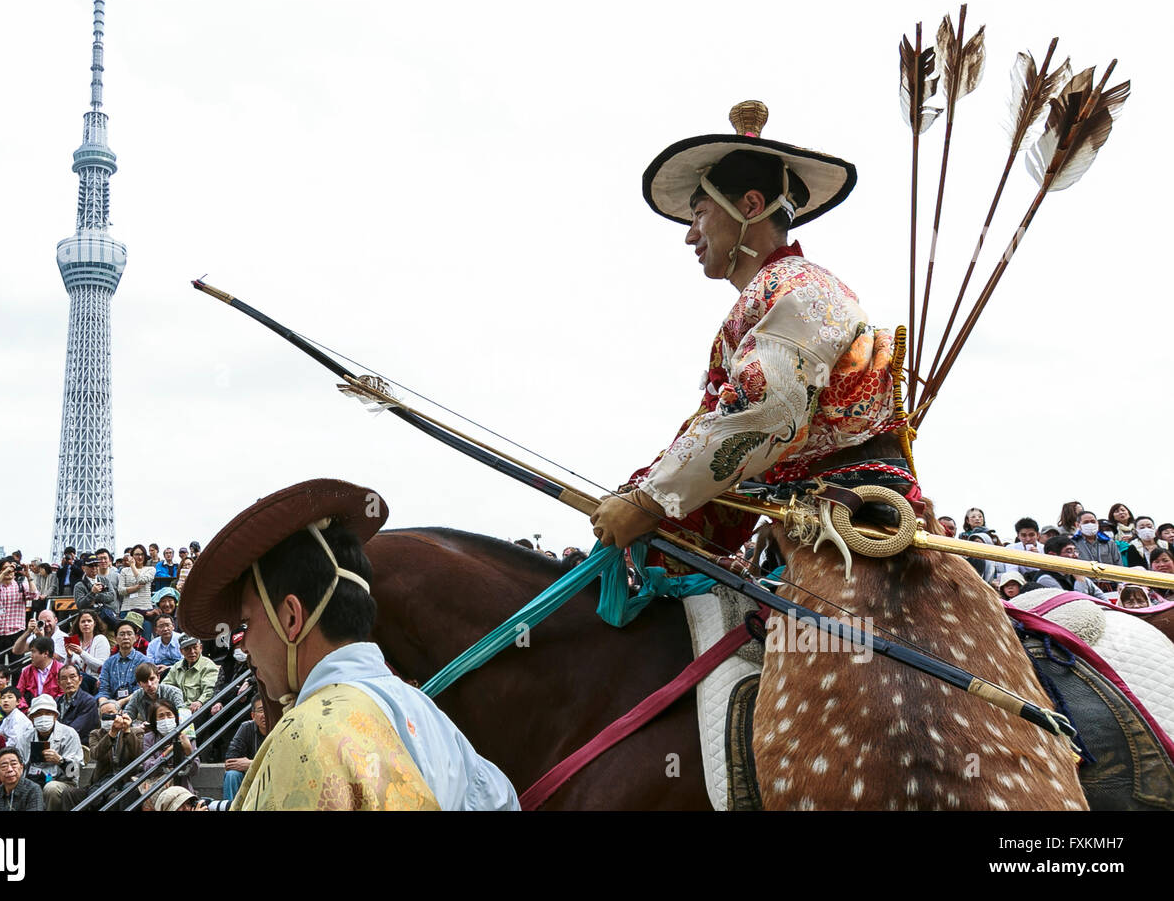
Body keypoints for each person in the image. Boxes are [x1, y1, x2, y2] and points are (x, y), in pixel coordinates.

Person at [587, 101, 895, 554]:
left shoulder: (801, 288)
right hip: (798, 519)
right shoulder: (776, 291)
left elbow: (766, 413)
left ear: (751, 204)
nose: (691, 235)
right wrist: (640, 492)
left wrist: (651, 500)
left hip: (843, 523)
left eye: (699, 213)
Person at [177, 478, 518, 810]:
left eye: (248, 623)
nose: (244, 646)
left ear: (291, 619)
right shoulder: (429, 715)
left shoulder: (303, 736)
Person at [24, 694, 84, 810]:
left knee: (51, 788)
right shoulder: (26, 737)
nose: (43, 717)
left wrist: (60, 761)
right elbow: (20, 765)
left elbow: (74, 773)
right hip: (33, 779)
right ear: (31, 718)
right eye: (38, 714)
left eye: (48, 713)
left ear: (55, 716)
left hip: (62, 782)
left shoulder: (69, 734)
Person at [137, 696, 194, 794]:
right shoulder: (148, 738)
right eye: (161, 716)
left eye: (169, 715)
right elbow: (148, 768)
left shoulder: (185, 735)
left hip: (179, 785)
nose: (166, 719)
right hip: (154, 785)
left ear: (175, 717)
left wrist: (189, 752)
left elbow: (194, 771)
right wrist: (168, 751)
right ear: (155, 720)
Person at [0, 560, 31, 670]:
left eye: (11, 569)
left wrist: (29, 576)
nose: (9, 571)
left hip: (16, 633)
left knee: (17, 669)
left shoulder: (21, 586)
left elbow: (34, 595)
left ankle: (15, 688)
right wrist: (4, 573)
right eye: (4, 568)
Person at [222, 693, 268, 800]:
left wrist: (251, 764)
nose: (265, 714)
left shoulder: (281, 728)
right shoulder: (246, 728)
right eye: (261, 711)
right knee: (232, 775)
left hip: (274, 775)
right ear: (253, 715)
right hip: (249, 777)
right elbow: (230, 762)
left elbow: (283, 762)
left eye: (268, 709)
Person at [96, 615, 148, 705]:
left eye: (129, 634)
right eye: (122, 634)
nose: (126, 637)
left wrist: (120, 703)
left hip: (136, 703)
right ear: (115, 638)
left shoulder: (144, 661)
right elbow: (104, 690)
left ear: (136, 637)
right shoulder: (109, 663)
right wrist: (104, 704)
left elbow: (142, 690)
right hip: (112, 703)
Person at [163, 635, 219, 718]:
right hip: (179, 709)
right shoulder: (177, 666)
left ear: (201, 647)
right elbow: (165, 687)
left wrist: (200, 701)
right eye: (187, 649)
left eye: (195, 647)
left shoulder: (208, 666)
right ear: (181, 651)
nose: (192, 652)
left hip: (199, 710)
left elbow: (209, 690)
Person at [1037, 536, 1107, 597]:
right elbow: (1073, 605)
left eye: (1075, 551)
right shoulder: (1046, 579)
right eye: (1069, 551)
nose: (1075, 555)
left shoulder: (1072, 573)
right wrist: (1080, 581)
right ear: (1052, 555)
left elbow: (1101, 596)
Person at [122, 662, 187, 724]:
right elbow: (127, 716)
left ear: (158, 677)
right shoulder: (137, 695)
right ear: (139, 684)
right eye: (145, 681)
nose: (149, 684)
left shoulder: (173, 692)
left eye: (152, 679)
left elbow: (183, 716)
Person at [65, 608, 111, 694]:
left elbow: (101, 666)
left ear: (95, 623)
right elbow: (66, 668)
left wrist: (81, 653)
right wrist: (69, 656)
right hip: (76, 678)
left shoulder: (100, 639)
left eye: (89, 621)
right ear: (78, 625)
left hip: (94, 680)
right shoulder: (76, 641)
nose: (86, 624)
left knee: (81, 678)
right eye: (83, 622)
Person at [0, 747, 44, 811]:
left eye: (14, 764)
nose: (10, 769)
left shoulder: (33, 790)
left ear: (21, 768)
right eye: (4, 766)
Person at [74, 549, 120, 628]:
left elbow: (112, 596)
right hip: (90, 623)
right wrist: (92, 593)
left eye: (96, 565)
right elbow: (80, 605)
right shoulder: (79, 585)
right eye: (91, 565)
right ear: (83, 568)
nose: (94, 568)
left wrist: (95, 597)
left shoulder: (104, 580)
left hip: (107, 618)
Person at [56, 664, 99, 743]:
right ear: (59, 683)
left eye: (72, 677)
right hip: (59, 743)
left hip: (80, 746)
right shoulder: (57, 701)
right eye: (64, 678)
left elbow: (75, 730)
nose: (69, 682)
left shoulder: (89, 702)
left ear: (80, 679)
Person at [118, 544, 156, 635]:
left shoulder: (150, 569)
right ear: (132, 556)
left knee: (145, 640)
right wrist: (135, 588)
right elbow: (120, 590)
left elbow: (142, 580)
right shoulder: (124, 571)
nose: (140, 557)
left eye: (142, 554)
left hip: (145, 609)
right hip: (127, 608)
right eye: (137, 554)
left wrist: (133, 566)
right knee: (127, 638)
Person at [16, 636, 62, 704]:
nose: (31, 656)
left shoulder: (61, 670)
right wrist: (26, 710)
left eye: (33, 652)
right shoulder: (27, 671)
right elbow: (19, 694)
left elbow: (64, 695)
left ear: (46, 653)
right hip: (30, 711)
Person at [0, 687, 34, 754]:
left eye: (10, 697)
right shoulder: (7, 718)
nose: (5, 700)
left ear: (18, 702)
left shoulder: (18, 717)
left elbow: (14, 742)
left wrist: (0, 744)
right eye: (3, 698)